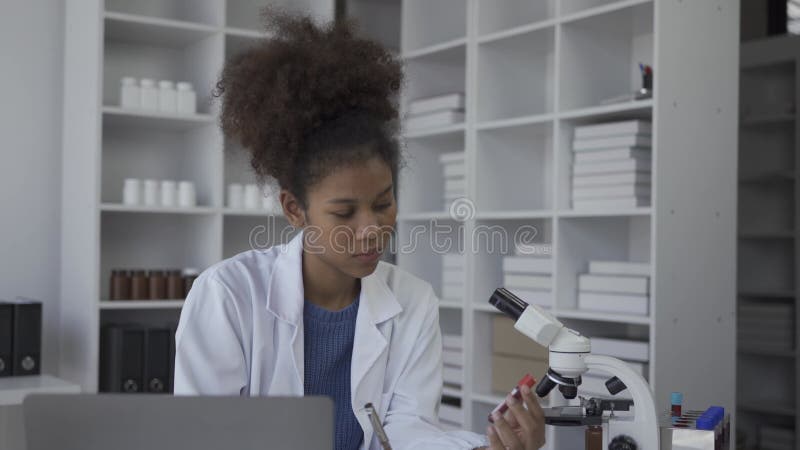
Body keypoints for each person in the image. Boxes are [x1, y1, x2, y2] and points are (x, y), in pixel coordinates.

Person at [173, 9, 546, 450]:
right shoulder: (227, 296)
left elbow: (410, 432)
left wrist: (488, 449)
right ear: (295, 209)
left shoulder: (412, 302)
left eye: (384, 203)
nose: (372, 229)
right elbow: (203, 439)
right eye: (345, 212)